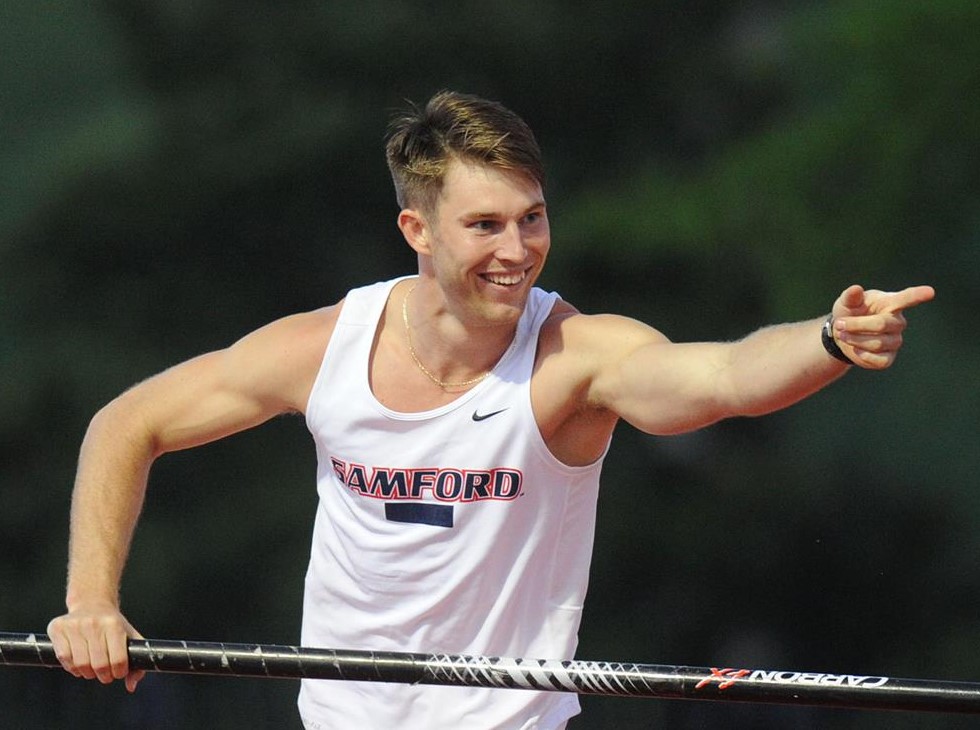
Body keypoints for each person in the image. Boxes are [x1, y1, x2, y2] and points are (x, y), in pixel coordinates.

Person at [47, 90, 935, 729]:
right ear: (417, 231)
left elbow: (724, 378)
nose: (518, 251)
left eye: (533, 218)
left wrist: (827, 338)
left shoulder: (574, 361)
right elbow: (127, 424)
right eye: (485, 226)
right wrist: (91, 602)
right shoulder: (322, 349)